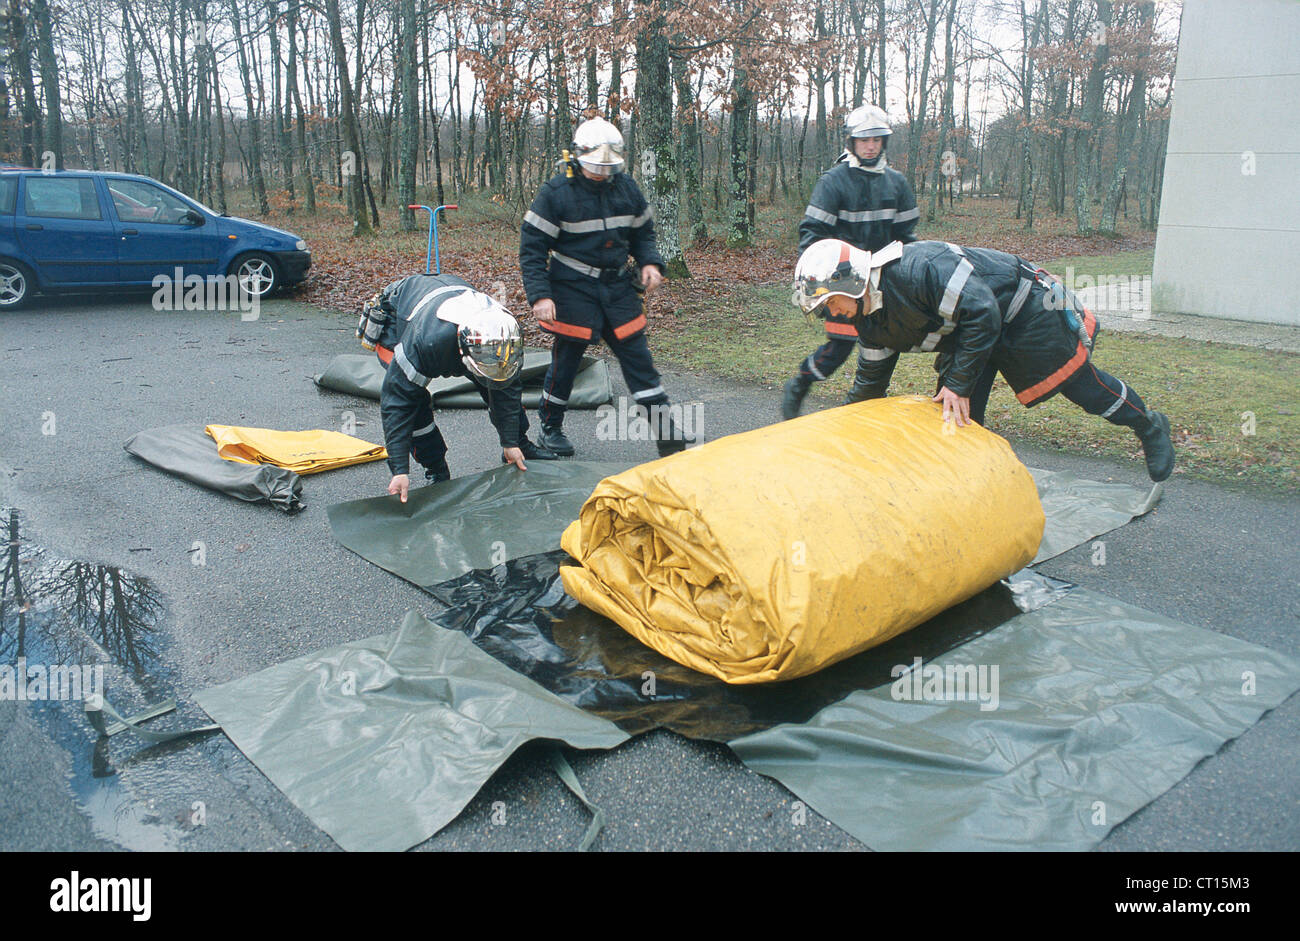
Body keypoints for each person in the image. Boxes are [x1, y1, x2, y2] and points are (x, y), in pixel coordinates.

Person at [791, 238, 1176, 481]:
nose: (830, 314)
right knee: (955, 417)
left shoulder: (921, 267)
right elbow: (869, 386)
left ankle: (1149, 425)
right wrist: (839, 433)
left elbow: (984, 312)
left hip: (1024, 309)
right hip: (974, 331)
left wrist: (958, 384)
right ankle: (972, 495)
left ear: (850, 283)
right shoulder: (869, 321)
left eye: (828, 303)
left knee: (1083, 389)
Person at [520, 116, 692, 458]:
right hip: (571, 288)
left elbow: (643, 234)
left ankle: (666, 432)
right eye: (595, 167)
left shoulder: (627, 188)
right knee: (566, 360)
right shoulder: (556, 193)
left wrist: (650, 263)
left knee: (638, 358)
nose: (601, 173)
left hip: (617, 289)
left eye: (606, 167)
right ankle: (551, 427)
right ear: (578, 158)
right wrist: (540, 296)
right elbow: (532, 248)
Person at [355, 272, 557, 502]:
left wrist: (510, 441)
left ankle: (518, 446)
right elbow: (397, 405)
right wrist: (400, 470)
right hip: (399, 316)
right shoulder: (424, 344)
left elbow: (506, 390)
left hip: (448, 299)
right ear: (464, 352)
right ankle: (436, 468)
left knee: (501, 384)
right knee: (416, 408)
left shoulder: (504, 333)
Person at [783, 104, 920, 420]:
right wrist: (818, 280)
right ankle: (800, 384)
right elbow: (812, 235)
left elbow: (907, 237)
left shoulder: (897, 183)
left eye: (876, 139)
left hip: (883, 283)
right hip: (843, 282)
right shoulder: (834, 182)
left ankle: (867, 407)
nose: (870, 145)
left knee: (885, 344)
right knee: (841, 345)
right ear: (852, 142)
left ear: (884, 142)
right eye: (863, 140)